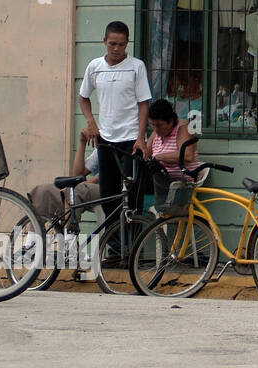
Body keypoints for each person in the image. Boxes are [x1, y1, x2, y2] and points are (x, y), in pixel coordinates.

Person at [78, 21, 152, 255]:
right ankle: (115, 248)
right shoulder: (95, 66)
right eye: (112, 44)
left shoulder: (136, 67)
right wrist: (91, 122)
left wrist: (141, 138)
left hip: (130, 140)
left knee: (132, 196)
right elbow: (83, 97)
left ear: (126, 43)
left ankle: (133, 250)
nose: (116, 49)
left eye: (121, 44)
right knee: (109, 196)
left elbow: (143, 104)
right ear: (104, 42)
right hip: (105, 140)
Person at [26, 127, 103, 225]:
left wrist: (93, 180)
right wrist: (82, 142)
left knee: (75, 192)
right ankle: (34, 237)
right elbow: (78, 175)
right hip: (89, 189)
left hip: (112, 190)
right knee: (43, 191)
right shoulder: (104, 142)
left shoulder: (124, 139)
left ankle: (69, 235)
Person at [145, 98, 198, 205]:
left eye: (159, 125)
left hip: (179, 184)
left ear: (170, 121)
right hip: (160, 182)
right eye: (152, 124)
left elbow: (187, 156)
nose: (155, 128)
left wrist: (159, 157)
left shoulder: (182, 130)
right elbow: (145, 154)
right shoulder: (156, 133)